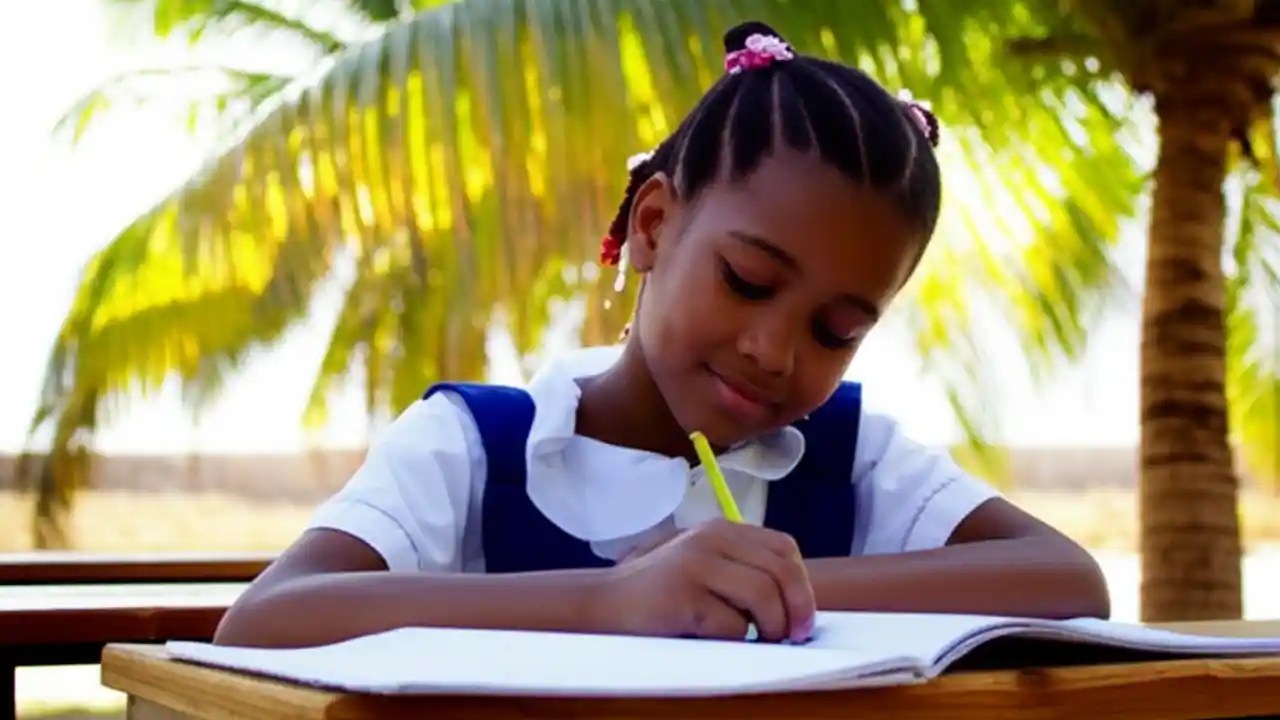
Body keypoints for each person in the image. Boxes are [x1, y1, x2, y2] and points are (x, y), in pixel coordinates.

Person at [214, 20, 1109, 649]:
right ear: (652, 226)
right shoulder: (476, 451)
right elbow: (266, 620)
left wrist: (765, 588)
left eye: (836, 331)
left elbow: (1067, 582)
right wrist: (609, 600)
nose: (774, 350)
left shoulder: (845, 460)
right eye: (747, 281)